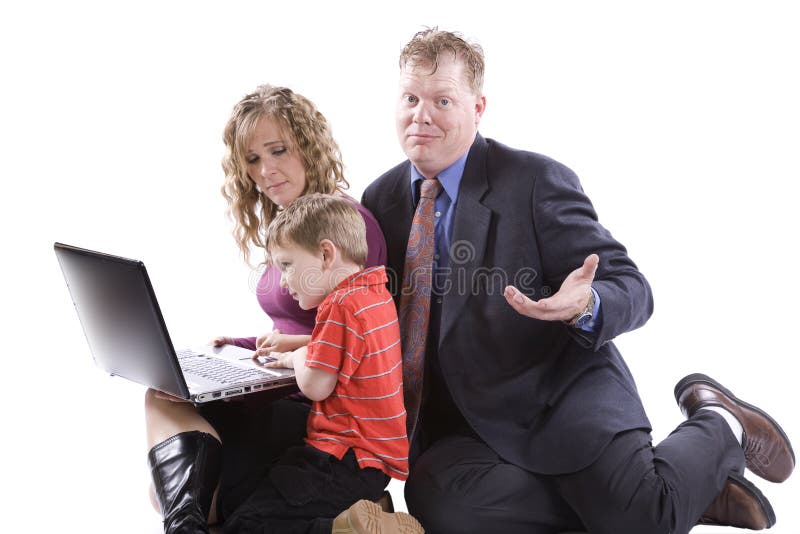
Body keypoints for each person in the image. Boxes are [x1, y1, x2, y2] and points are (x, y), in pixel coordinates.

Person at [361, 28, 795, 534]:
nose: (422, 115)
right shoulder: (381, 200)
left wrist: (586, 302)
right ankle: (678, 488)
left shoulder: (533, 180)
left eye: (442, 100)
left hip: (561, 400)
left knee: (638, 523)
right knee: (444, 512)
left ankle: (719, 424)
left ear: (478, 108)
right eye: (411, 98)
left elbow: (632, 287)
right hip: (467, 428)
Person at [144, 85, 388, 533]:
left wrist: (290, 357)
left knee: (191, 489)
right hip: (280, 383)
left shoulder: (347, 227)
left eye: (278, 151)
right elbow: (296, 324)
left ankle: (352, 510)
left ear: (308, 147)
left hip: (318, 406)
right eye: (253, 160)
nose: (266, 170)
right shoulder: (293, 226)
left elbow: (365, 340)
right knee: (165, 399)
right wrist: (237, 346)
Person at [218, 193, 422, 533]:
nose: (282, 281)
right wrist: (295, 346)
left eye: (286, 265)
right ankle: (360, 516)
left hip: (340, 458)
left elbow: (315, 384)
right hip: (374, 463)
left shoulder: (337, 305)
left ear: (326, 254)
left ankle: (341, 530)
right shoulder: (374, 292)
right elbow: (353, 348)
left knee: (244, 525)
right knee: (264, 499)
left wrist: (298, 356)